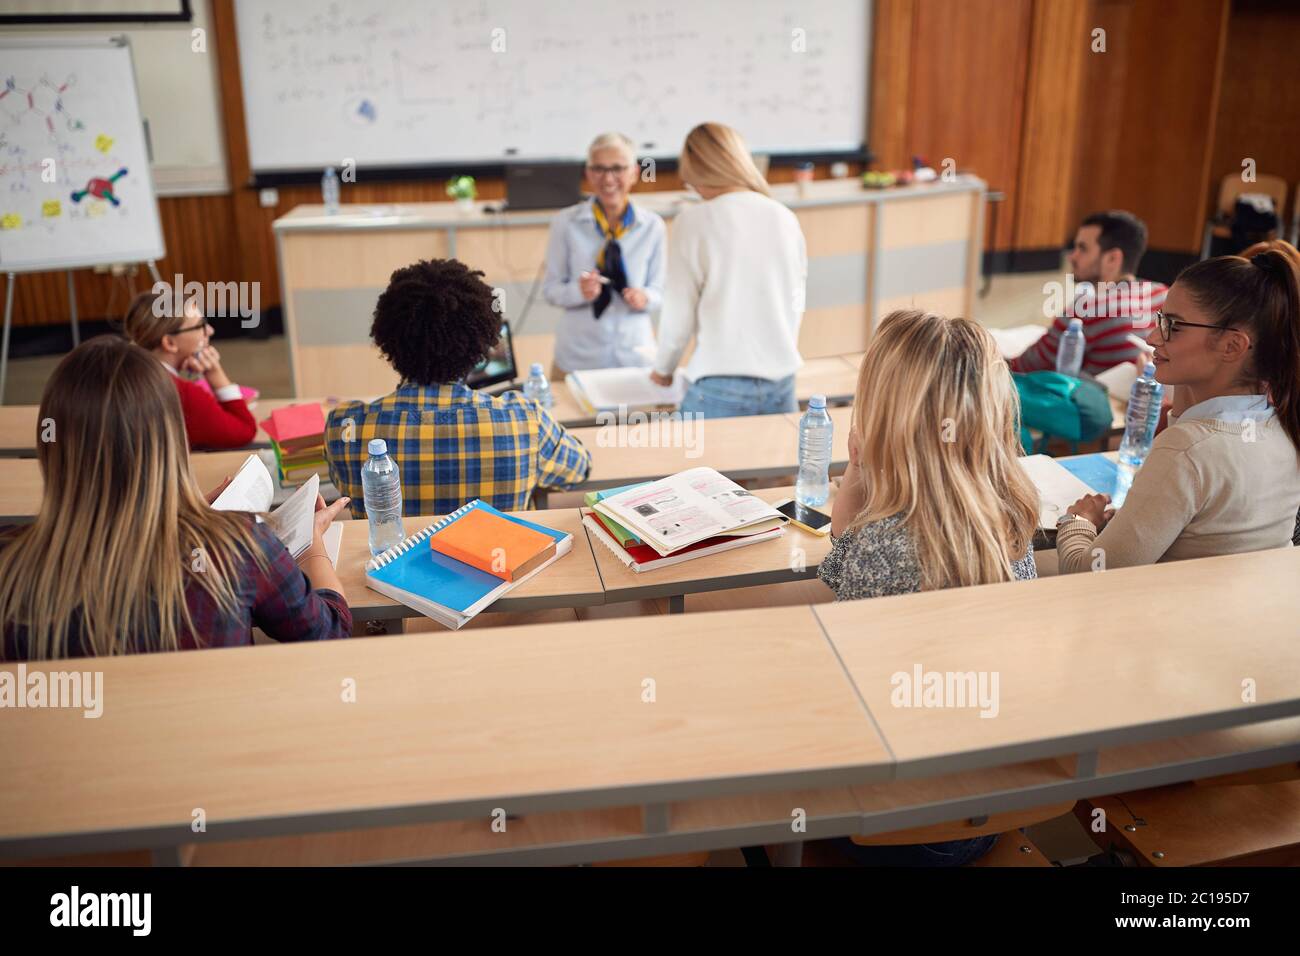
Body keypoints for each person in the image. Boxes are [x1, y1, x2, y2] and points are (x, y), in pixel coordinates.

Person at [818, 309, 1039, 866]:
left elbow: (850, 699)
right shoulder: (1010, 511)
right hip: (993, 804)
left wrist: (857, 470)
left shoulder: (885, 541)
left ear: (884, 413)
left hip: (906, 830)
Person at [0, 337, 352, 660]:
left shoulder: (10, 565)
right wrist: (311, 544)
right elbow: (330, 633)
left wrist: (176, 509)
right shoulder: (240, 545)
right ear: (172, 439)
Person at [1058, 241, 1300, 571]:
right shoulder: (1283, 425)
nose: (1151, 336)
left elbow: (1089, 573)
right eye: (1160, 318)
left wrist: (1079, 521)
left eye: (1173, 325)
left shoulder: (1187, 451)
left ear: (1232, 346)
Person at [326, 258, 592, 517]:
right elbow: (580, 470)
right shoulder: (525, 420)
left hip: (389, 561)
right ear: (482, 347)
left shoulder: (345, 427)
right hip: (498, 560)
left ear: (387, 339)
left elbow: (344, 488)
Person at [650, 122, 807, 418]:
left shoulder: (693, 221)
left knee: (684, 464)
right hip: (783, 382)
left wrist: (663, 369)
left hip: (719, 385)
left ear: (696, 168)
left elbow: (678, 311)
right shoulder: (784, 217)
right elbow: (797, 301)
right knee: (779, 465)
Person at [543, 132, 666, 376]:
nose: (608, 179)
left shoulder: (653, 226)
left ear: (634, 173)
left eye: (618, 168)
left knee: (637, 416)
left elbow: (660, 291)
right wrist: (580, 291)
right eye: (599, 169)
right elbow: (551, 290)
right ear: (588, 174)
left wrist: (646, 298)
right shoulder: (565, 223)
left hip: (635, 354)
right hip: (578, 357)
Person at [1009, 211, 1168, 375]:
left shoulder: (1088, 309)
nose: (1072, 256)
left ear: (1113, 259)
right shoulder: (1163, 294)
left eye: (1082, 249)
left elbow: (1023, 366)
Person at [123, 289, 258, 449]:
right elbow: (245, 430)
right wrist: (216, 375)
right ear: (170, 343)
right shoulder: (179, 393)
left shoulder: (127, 374)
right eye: (200, 325)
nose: (209, 331)